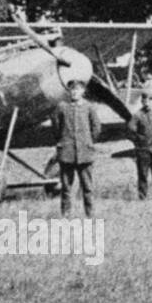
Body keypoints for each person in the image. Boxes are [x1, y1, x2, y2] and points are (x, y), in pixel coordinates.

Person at [53, 78, 103, 217]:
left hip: (85, 153)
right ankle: (66, 215)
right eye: (72, 90)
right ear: (69, 91)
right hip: (67, 153)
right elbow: (56, 128)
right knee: (66, 187)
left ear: (83, 91)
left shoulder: (89, 107)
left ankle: (90, 215)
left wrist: (87, 141)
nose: (74, 92)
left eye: (77, 90)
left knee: (87, 187)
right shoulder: (61, 107)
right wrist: (63, 141)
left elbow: (96, 127)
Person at [127, 90, 152, 200]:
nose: (147, 103)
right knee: (143, 174)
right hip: (143, 151)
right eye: (145, 101)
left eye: (150, 101)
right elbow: (130, 132)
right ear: (142, 102)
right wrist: (139, 143)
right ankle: (142, 197)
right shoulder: (137, 116)